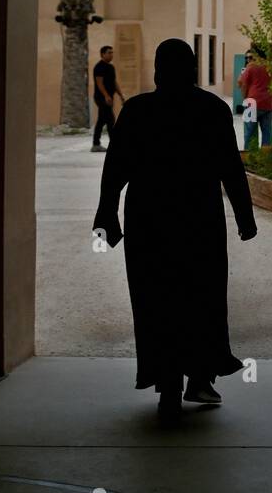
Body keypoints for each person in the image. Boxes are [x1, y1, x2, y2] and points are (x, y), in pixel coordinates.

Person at [92, 38, 257, 419]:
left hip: (150, 221)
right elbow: (230, 168)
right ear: (194, 69)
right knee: (202, 297)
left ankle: (165, 378)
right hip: (199, 220)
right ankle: (199, 377)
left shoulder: (137, 111)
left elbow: (115, 168)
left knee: (156, 299)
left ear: (157, 70)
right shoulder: (211, 110)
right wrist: (244, 218)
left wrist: (107, 213)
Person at [238, 44, 272, 150]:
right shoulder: (269, 66)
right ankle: (266, 155)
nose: (249, 59)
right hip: (267, 102)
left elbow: (242, 83)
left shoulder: (251, 67)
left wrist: (245, 98)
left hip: (251, 101)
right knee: (267, 132)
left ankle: (251, 155)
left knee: (249, 132)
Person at [91, 45, 124, 152]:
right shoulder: (99, 67)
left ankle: (96, 144)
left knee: (102, 120)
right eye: (109, 52)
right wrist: (106, 96)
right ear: (102, 54)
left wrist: (120, 95)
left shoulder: (111, 67)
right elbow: (99, 83)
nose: (111, 54)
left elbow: (114, 82)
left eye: (112, 52)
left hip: (109, 97)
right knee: (110, 120)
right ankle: (111, 144)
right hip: (101, 98)